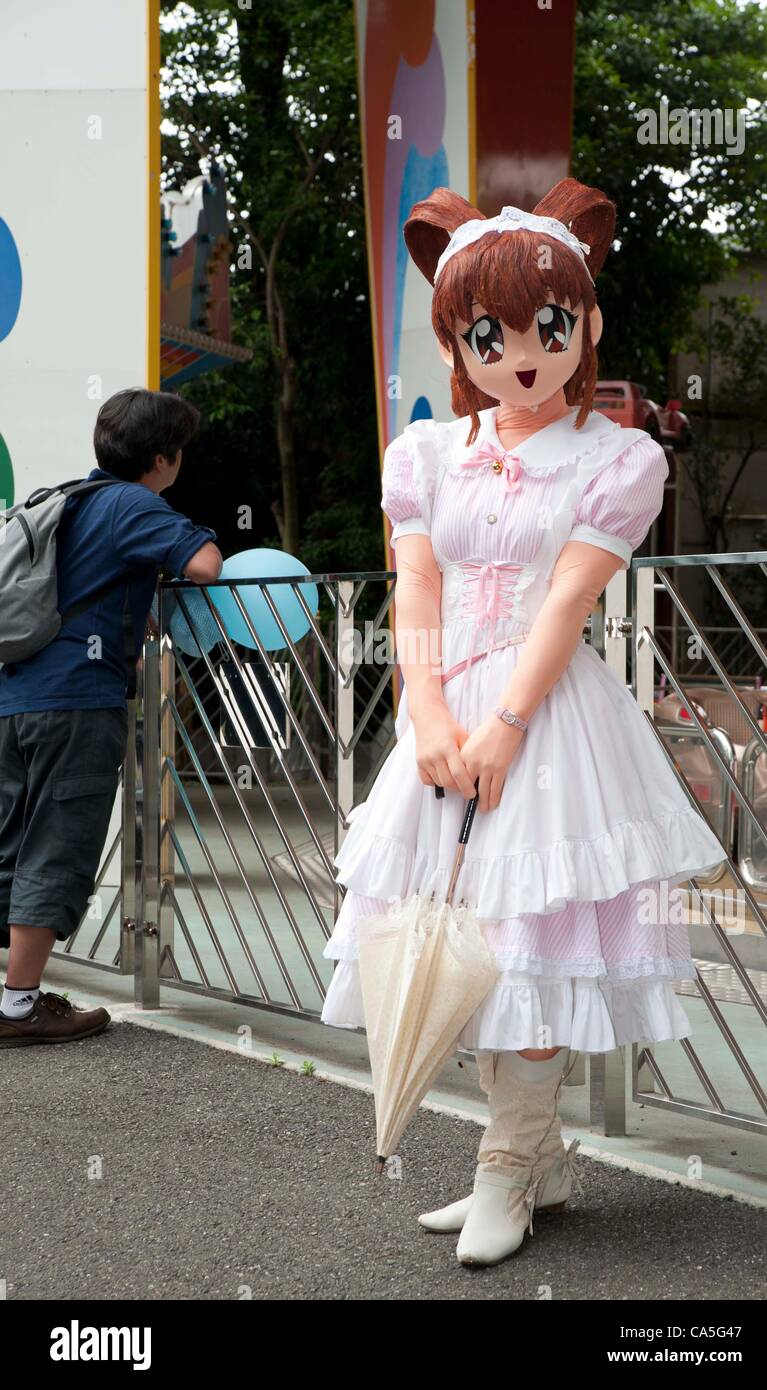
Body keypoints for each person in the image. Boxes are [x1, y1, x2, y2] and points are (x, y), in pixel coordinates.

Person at [319, 180, 726, 1266]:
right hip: (445, 713)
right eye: (487, 336)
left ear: (587, 321)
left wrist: (502, 723)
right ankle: (534, 1155)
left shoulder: (617, 457)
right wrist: (428, 713)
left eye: (550, 325)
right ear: (459, 343)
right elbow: (416, 588)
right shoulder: (426, 454)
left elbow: (567, 602)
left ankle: (508, 1165)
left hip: (549, 723)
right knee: (457, 939)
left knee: (528, 943)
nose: (523, 355)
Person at [0, 388, 222, 1046]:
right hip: (77, 701)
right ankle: (19, 1008)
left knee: (8, 843)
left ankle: (12, 996)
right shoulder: (131, 503)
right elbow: (204, 566)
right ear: (162, 458)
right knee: (58, 846)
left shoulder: (66, 499)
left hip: (14, 695)